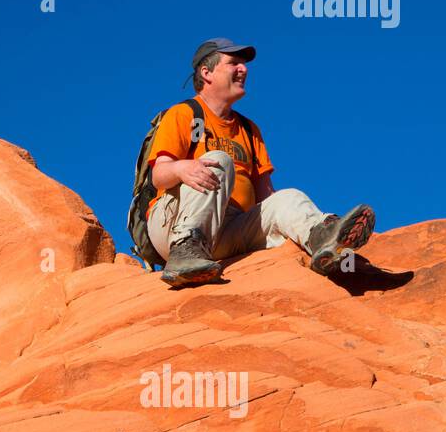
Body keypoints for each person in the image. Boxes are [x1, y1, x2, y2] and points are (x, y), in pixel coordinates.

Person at [148, 38, 375, 288]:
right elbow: (159, 175)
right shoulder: (186, 114)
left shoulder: (248, 129)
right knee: (218, 161)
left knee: (288, 197)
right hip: (174, 226)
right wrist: (182, 167)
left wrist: (288, 214)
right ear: (206, 73)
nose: (243, 69)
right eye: (233, 63)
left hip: (225, 233)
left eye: (243, 64)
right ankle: (185, 252)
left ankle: (324, 242)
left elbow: (266, 195)